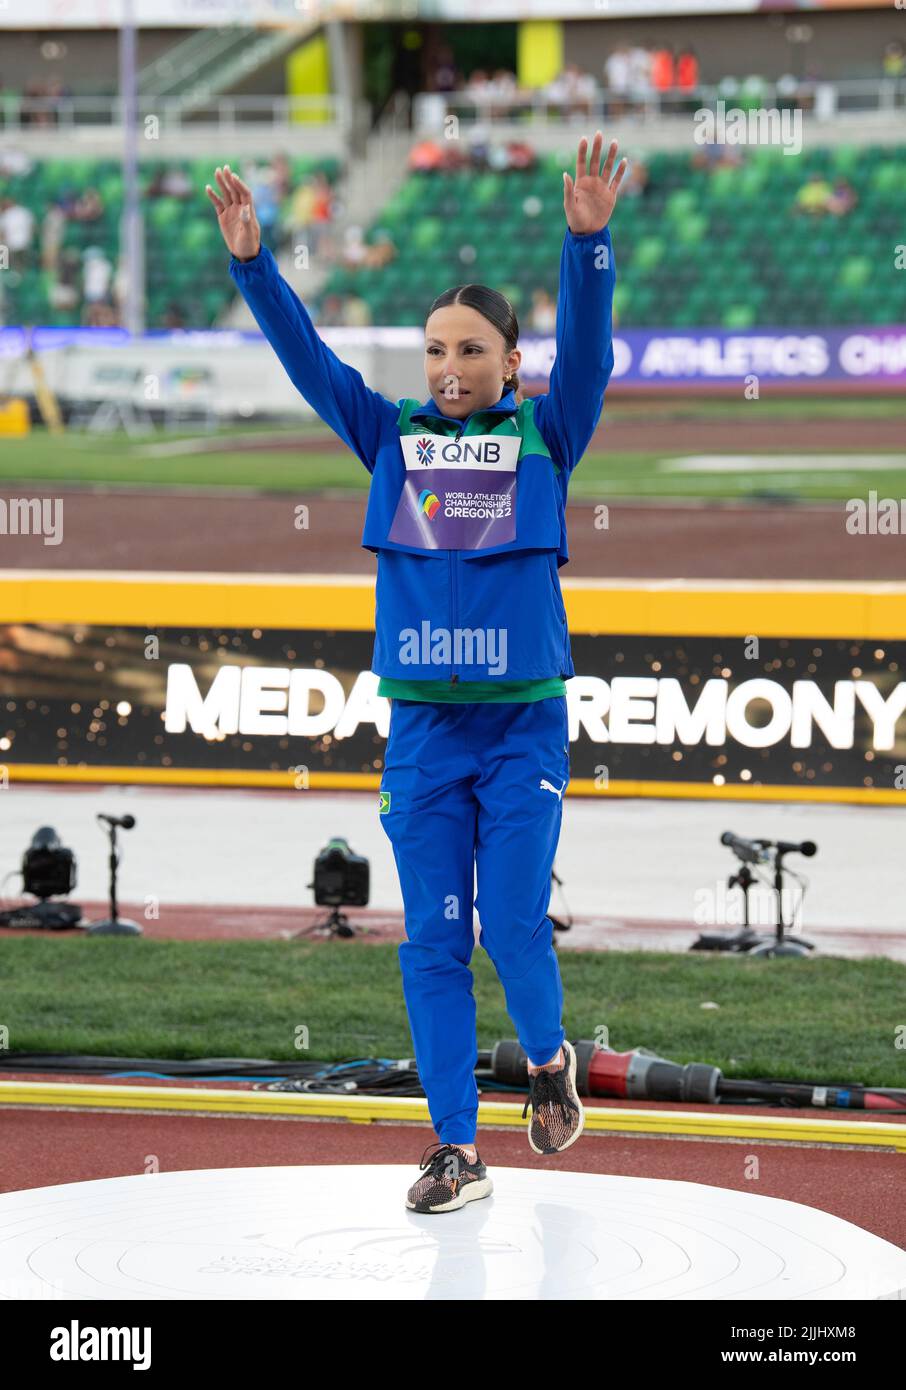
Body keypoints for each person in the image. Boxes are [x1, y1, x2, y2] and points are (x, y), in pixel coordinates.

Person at [205, 133, 625, 1215]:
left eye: (472, 351)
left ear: (509, 366)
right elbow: (314, 366)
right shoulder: (387, 436)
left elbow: (591, 360)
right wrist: (255, 266)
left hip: (523, 730)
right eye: (436, 349)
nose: (448, 368)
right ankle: (456, 1150)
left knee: (514, 925)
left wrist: (588, 248)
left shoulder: (548, 432)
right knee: (435, 937)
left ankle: (545, 1056)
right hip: (425, 738)